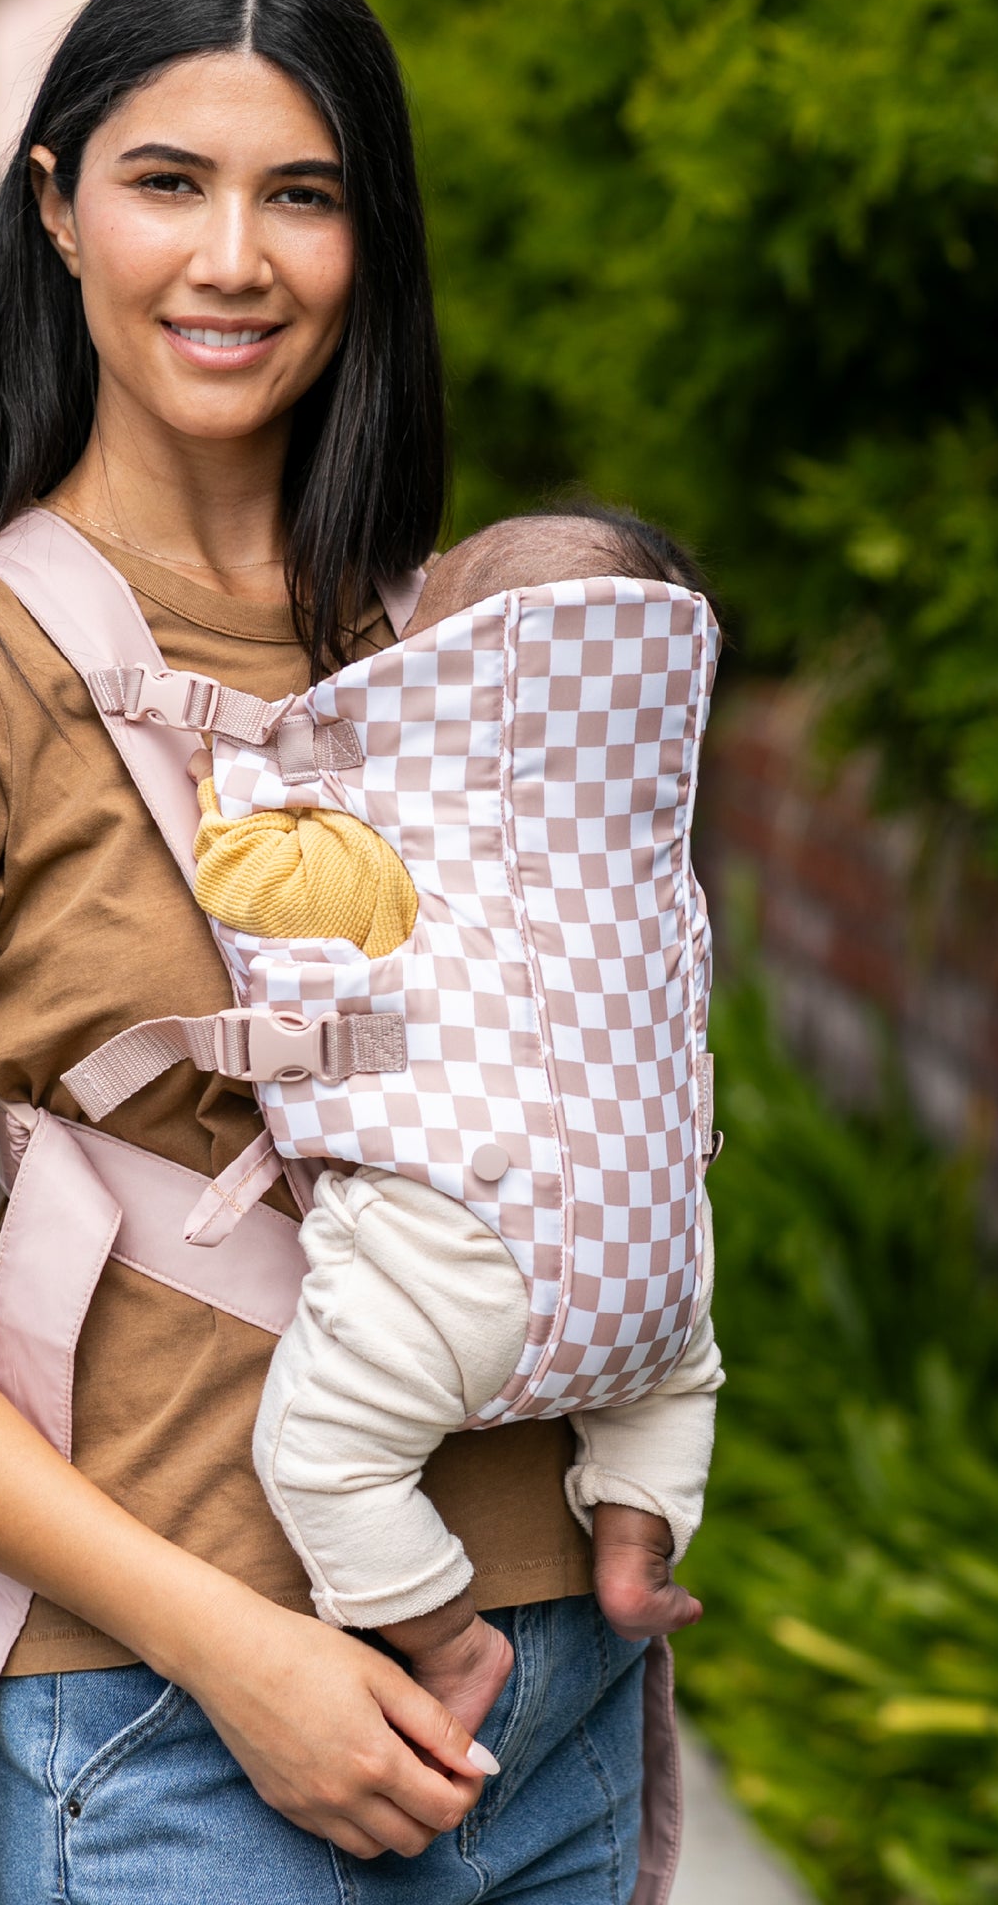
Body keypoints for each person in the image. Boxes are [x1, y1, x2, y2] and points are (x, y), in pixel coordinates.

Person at [0, 0, 692, 1905]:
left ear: (374, 241)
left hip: (559, 1701)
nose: (234, 256)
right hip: (181, 1737)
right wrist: (234, 1646)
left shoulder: (467, 643)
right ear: (59, 209)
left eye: (305, 195)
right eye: (168, 180)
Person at [191, 513, 723, 1735]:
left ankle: (445, 1637)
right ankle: (634, 1547)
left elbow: (249, 888)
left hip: (466, 1262)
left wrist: (236, 802)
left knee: (327, 1457)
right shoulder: (647, 854)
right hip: (654, 1272)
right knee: (673, 1379)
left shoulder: (397, 850)